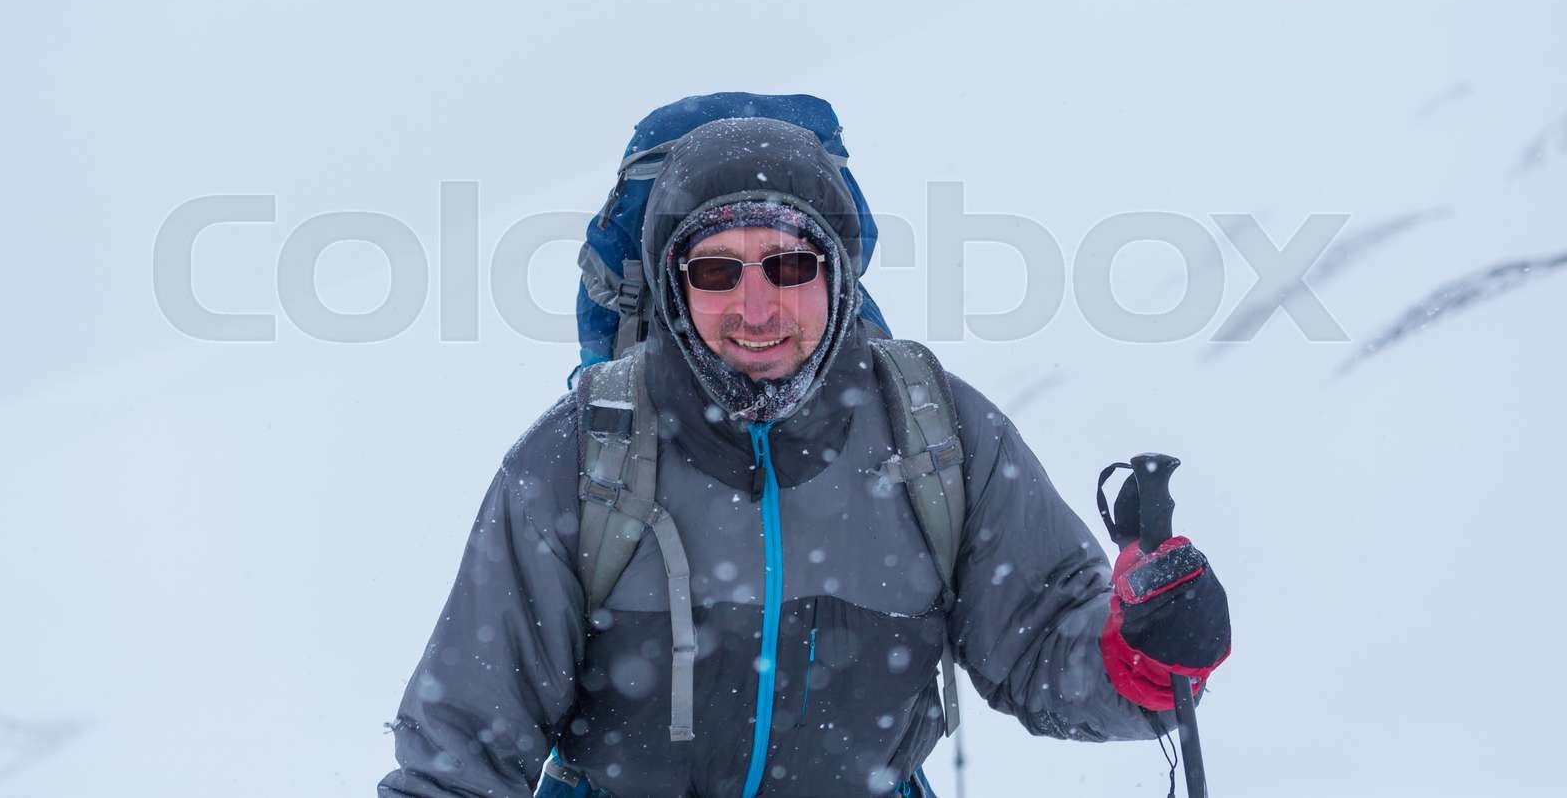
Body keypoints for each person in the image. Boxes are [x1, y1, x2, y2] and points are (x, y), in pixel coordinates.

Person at [379, 117, 1231, 798]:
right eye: (717, 270)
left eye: (789, 262)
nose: (755, 306)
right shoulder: (576, 455)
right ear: (673, 284)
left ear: (839, 274)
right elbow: (463, 744)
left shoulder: (934, 431)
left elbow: (1046, 642)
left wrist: (1145, 650)